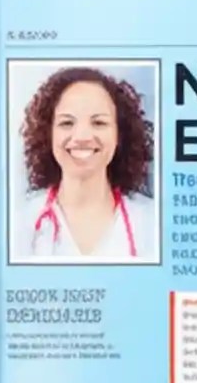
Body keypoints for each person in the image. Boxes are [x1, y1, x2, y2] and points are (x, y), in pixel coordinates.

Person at [12, 67, 158, 262]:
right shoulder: (18, 223)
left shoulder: (153, 223)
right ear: (48, 134)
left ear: (119, 135)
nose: (82, 137)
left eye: (98, 123)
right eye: (67, 123)